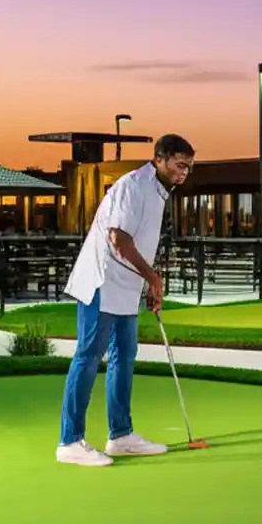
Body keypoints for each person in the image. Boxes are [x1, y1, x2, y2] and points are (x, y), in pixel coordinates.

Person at [55, 134, 195, 467]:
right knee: (88, 356)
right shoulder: (132, 186)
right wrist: (153, 276)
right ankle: (69, 441)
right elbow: (118, 238)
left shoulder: (159, 192)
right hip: (102, 280)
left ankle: (121, 436)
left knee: (124, 356)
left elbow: (138, 243)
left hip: (126, 287)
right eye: (179, 165)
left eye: (188, 167)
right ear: (159, 158)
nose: (184, 173)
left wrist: (147, 283)